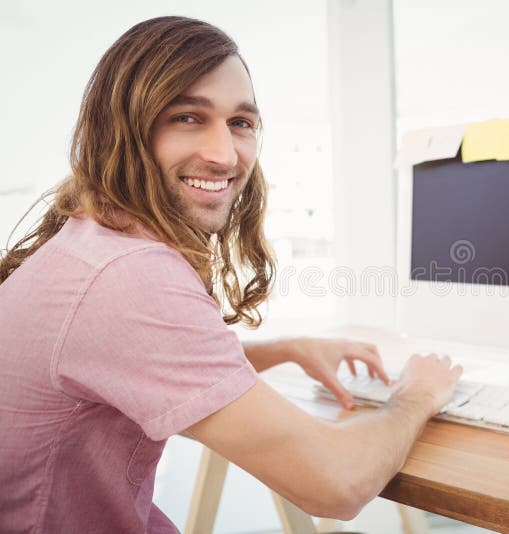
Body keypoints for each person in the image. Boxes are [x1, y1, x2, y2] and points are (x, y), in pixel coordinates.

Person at [0, 16, 462, 533]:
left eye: (240, 123)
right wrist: (417, 393)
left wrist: (284, 348)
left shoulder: (94, 244)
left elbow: (121, 360)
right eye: (186, 117)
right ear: (121, 130)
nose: (225, 155)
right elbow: (337, 483)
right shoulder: (128, 274)